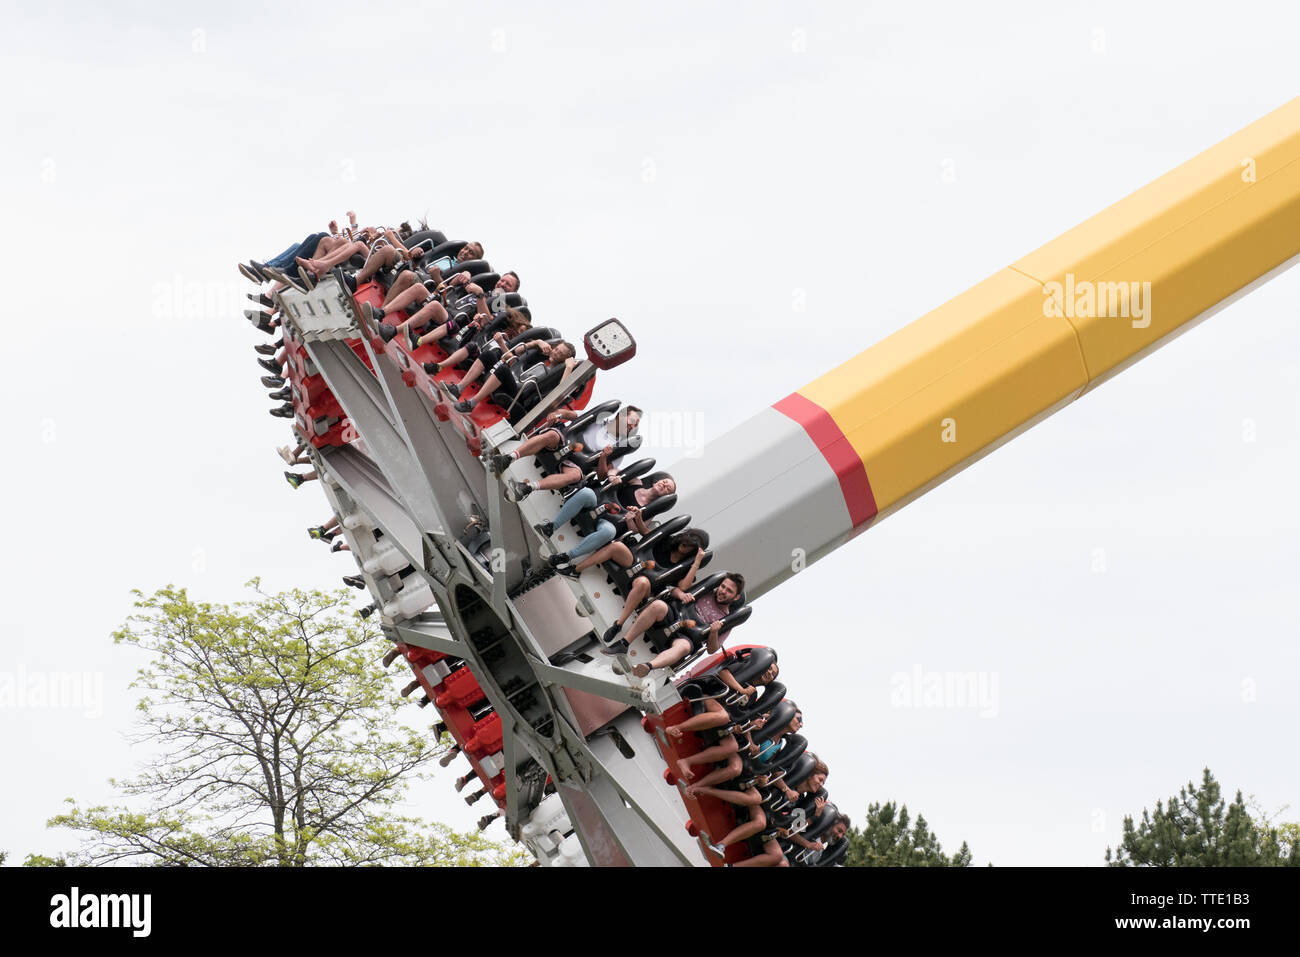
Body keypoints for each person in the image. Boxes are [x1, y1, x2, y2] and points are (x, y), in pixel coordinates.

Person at [619, 573, 744, 677]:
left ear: (736, 597)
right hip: (674, 617)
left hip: (685, 637)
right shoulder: (705, 590)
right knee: (658, 605)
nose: (723, 591)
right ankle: (624, 643)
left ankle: (648, 666)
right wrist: (682, 595)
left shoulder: (726, 620)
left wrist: (714, 632)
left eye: (729, 591)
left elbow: (712, 650)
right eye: (723, 586)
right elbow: (674, 590)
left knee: (684, 646)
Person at [541, 475, 677, 569]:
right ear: (657, 480)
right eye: (664, 481)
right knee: (587, 493)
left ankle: (567, 557)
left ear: (665, 496)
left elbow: (635, 530)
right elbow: (614, 472)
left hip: (611, 522)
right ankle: (551, 527)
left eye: (668, 488)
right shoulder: (636, 482)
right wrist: (613, 476)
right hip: (601, 504)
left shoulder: (649, 511)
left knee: (609, 532)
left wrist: (633, 519)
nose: (664, 485)